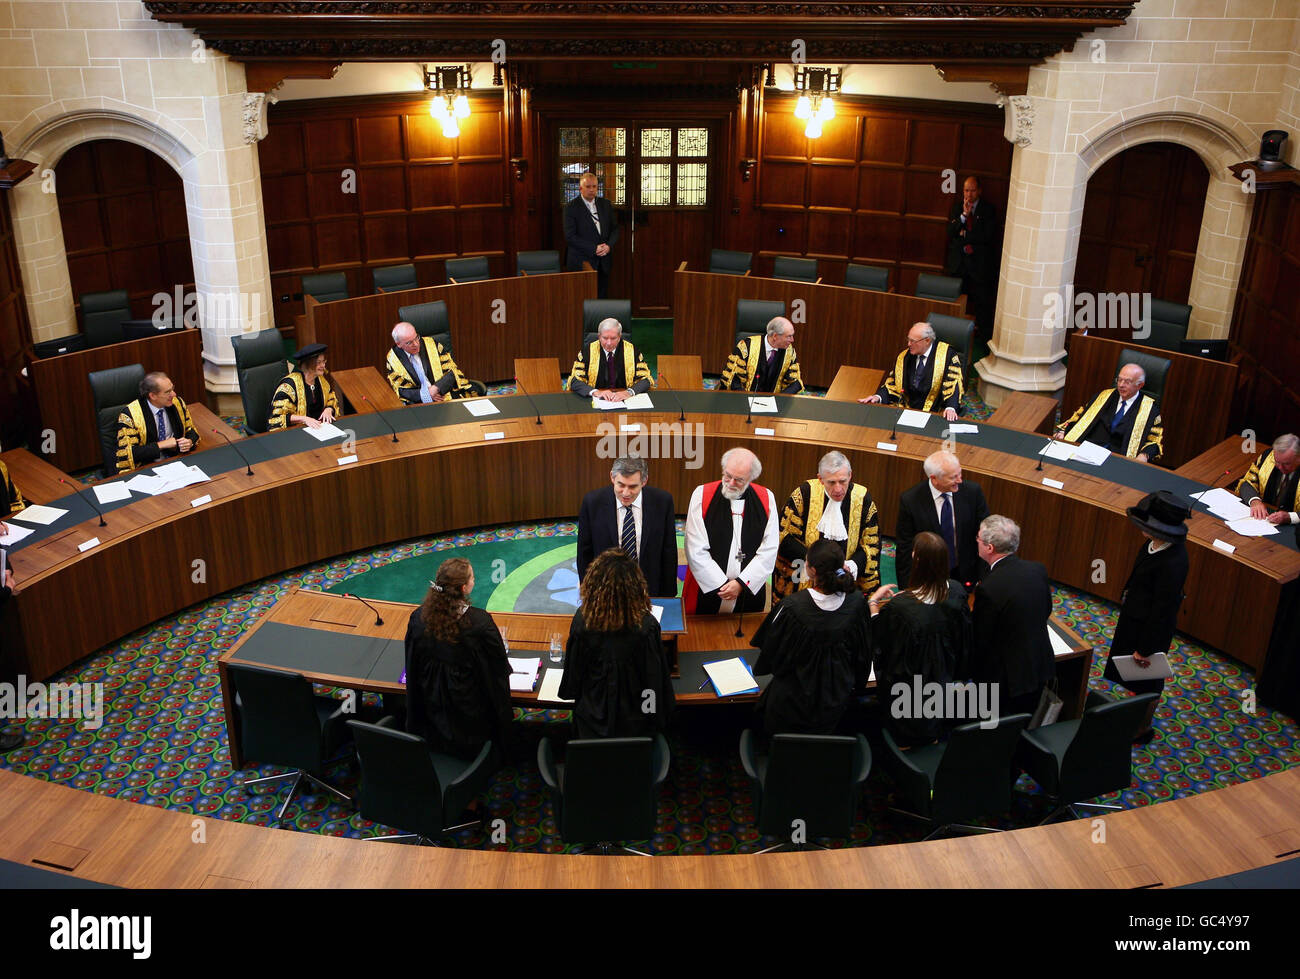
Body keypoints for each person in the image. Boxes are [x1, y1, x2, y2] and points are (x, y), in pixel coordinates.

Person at [751, 539, 872, 737]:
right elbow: (862, 657)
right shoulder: (858, 603)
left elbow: (771, 658)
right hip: (835, 707)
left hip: (790, 710)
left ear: (812, 571)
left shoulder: (791, 608)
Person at [1102, 490, 1191, 744]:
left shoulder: (1174, 562)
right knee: (1133, 677)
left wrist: (1146, 648)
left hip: (1150, 631)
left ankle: (1141, 728)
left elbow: (1163, 611)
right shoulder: (1152, 544)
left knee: (1148, 682)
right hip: (1134, 620)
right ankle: (1133, 717)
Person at [404, 557, 514, 760]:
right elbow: (498, 669)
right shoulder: (479, 623)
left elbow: (412, 665)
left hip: (431, 716)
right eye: (472, 577)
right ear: (464, 588)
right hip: (470, 720)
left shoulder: (418, 618)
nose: (475, 580)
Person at [868, 532, 972, 746]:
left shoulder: (900, 610)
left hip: (906, 698)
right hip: (942, 687)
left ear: (917, 562)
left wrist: (873, 607)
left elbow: (883, 647)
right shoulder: (957, 593)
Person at [559, 549, 675, 738]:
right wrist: (655, 719)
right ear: (636, 587)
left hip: (591, 723)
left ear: (593, 585)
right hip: (636, 726)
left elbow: (573, 681)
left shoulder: (582, 620)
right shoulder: (646, 626)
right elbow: (653, 683)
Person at [971, 515, 1054, 717]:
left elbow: (981, 638)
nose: (976, 541)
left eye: (978, 539)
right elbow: (1047, 610)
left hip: (1007, 681)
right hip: (1039, 665)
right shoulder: (1037, 569)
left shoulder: (989, 589)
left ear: (989, 548)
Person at [683, 447, 779, 614]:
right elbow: (694, 547)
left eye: (739, 480)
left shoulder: (766, 499)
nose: (731, 483)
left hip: (747, 590)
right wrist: (720, 584)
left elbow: (769, 549)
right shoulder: (702, 495)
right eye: (727, 476)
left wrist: (742, 584)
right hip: (707, 588)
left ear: (751, 478)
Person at [774, 450, 880, 600]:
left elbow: (871, 545)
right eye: (831, 482)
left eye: (843, 481)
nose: (838, 489)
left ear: (850, 475)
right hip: (807, 580)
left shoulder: (863, 499)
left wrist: (852, 565)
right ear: (820, 479)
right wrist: (817, 562)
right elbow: (783, 537)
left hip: (846, 581)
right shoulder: (803, 494)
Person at [577, 456, 678, 598]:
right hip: (605, 590)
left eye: (632, 487)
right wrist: (586, 589)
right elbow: (584, 552)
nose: (626, 493)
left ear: (644, 481)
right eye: (621, 485)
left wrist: (668, 595)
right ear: (612, 477)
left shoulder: (662, 502)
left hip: (648, 589)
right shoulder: (592, 503)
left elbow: (669, 552)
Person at [895, 450, 989, 589]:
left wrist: (984, 579)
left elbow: (985, 535)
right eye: (953, 477)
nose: (960, 480)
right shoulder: (911, 500)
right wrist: (906, 588)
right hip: (929, 577)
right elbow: (905, 547)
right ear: (934, 479)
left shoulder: (972, 492)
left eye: (960, 474)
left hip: (965, 574)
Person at [1054, 362, 1163, 462]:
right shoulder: (1103, 396)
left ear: (1140, 385)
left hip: (1118, 458)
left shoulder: (1150, 409)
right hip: (1088, 451)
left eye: (1127, 382)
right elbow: (1081, 416)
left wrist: (1144, 456)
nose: (1121, 385)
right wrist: (1065, 431)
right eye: (1119, 380)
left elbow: (1154, 439)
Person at [859, 322, 963, 421]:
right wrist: (877, 397)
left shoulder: (947, 355)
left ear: (927, 340)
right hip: (908, 411)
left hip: (935, 412)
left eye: (913, 341)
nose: (909, 344)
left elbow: (953, 384)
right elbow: (893, 384)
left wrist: (951, 407)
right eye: (908, 340)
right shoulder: (905, 357)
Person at [944, 175, 1000, 340]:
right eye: (966, 190)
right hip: (958, 266)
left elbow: (986, 236)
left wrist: (964, 235)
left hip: (978, 267)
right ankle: (952, 337)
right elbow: (950, 232)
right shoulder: (956, 209)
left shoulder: (988, 210)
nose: (969, 194)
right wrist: (963, 216)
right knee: (955, 304)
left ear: (979, 191)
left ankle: (982, 341)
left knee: (982, 306)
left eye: (972, 190)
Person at [115, 371, 200, 473]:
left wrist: (189, 441)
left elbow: (190, 430)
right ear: (153, 396)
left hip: (176, 461)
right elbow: (129, 454)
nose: (174, 394)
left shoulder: (176, 403)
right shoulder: (130, 415)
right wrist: (162, 445)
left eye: (172, 389)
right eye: (168, 392)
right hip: (147, 467)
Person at [385, 321, 477, 404]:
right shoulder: (393, 359)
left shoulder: (431, 344)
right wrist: (427, 395)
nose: (416, 344)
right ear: (399, 344)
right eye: (409, 343)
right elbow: (401, 390)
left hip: (445, 394)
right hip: (419, 404)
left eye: (416, 338)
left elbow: (452, 372)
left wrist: (436, 388)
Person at [563, 171, 620, 298]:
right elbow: (570, 236)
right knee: (581, 297)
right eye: (588, 187)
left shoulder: (605, 204)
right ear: (580, 188)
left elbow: (615, 229)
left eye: (594, 186)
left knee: (601, 296)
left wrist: (609, 246)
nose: (592, 190)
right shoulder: (571, 207)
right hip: (581, 261)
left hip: (604, 260)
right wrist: (594, 248)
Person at [567, 318, 653, 401]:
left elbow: (646, 379)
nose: (609, 343)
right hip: (596, 400)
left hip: (624, 400)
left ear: (619, 337)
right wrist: (595, 392)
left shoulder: (633, 351)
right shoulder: (587, 352)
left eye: (613, 338)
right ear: (599, 336)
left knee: (624, 417)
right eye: (605, 338)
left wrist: (629, 392)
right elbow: (574, 380)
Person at [720, 316, 805, 395]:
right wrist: (745, 401)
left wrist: (779, 400)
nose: (792, 340)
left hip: (773, 402)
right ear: (775, 336)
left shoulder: (789, 352)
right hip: (746, 400)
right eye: (789, 336)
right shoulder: (746, 347)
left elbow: (794, 383)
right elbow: (733, 380)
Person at [269, 342, 342, 431]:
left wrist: (329, 409)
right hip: (296, 433)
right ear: (308, 364)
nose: (323, 365)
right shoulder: (288, 386)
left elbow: (331, 399)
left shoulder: (321, 381)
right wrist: (304, 419)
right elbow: (279, 417)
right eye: (318, 362)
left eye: (323, 361)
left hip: (319, 430)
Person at [1238, 433, 1298, 525]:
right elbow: (1247, 483)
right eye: (1277, 462)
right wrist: (1254, 501)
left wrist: (1291, 517)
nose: (1280, 468)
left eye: (1286, 464)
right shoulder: (1268, 457)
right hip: (1264, 520)